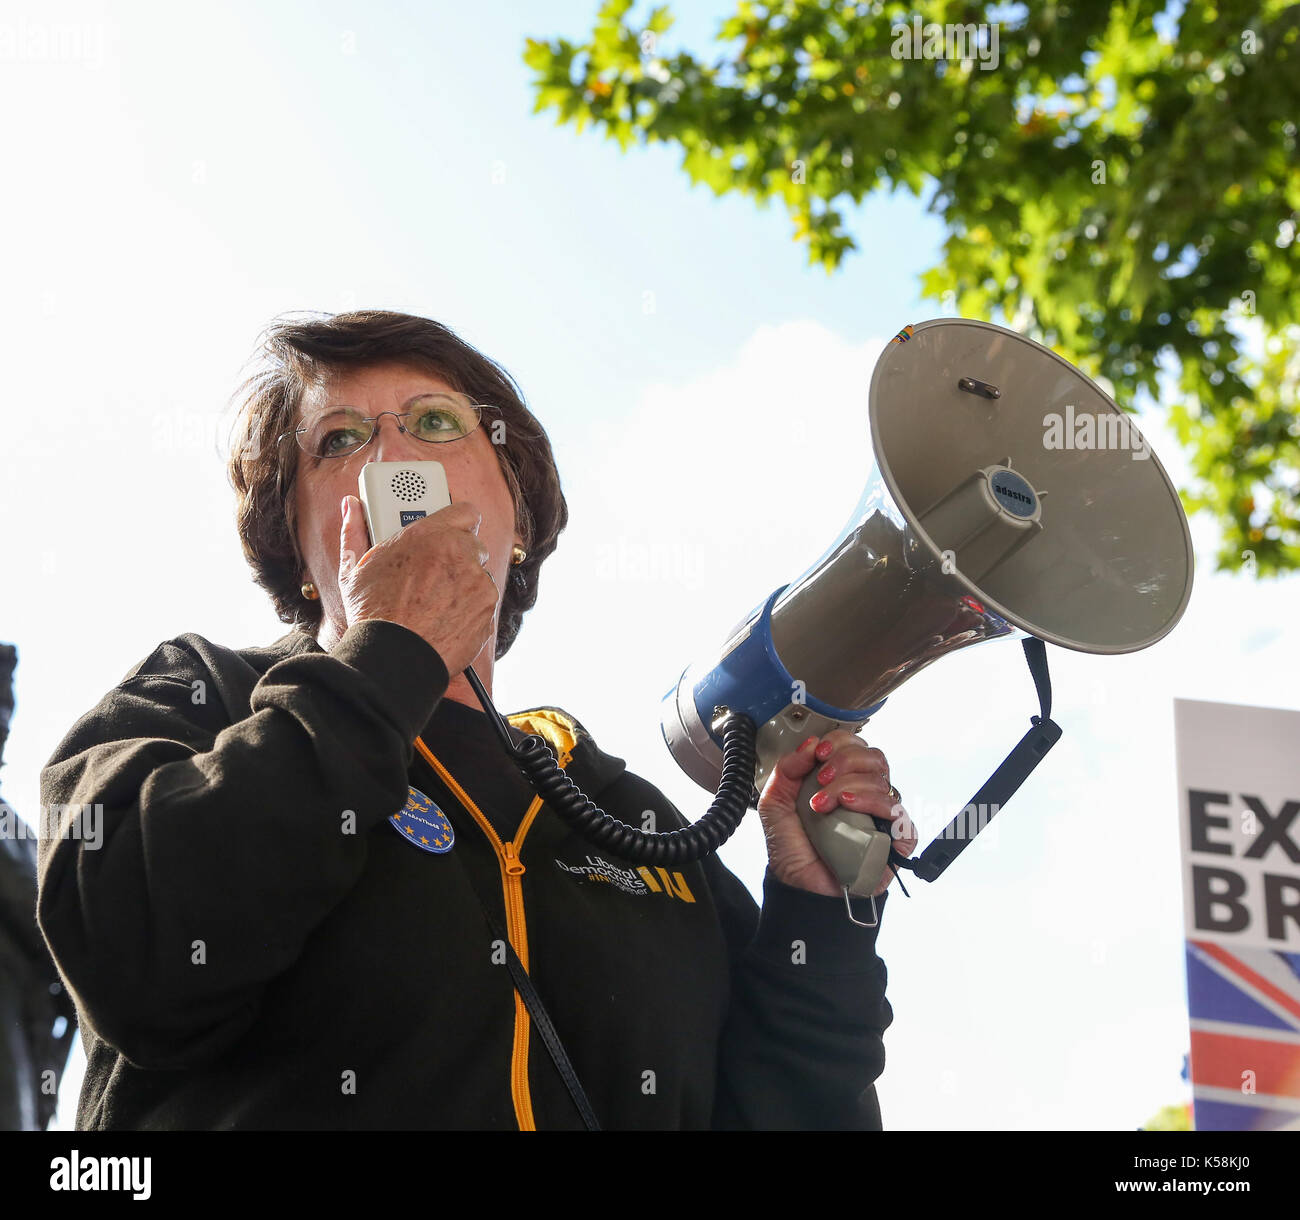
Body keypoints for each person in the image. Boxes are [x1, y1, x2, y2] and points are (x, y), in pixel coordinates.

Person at [37, 310, 915, 1130]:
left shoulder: (630, 819)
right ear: (298, 552)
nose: (390, 457)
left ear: (520, 521)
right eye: (338, 440)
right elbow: (132, 954)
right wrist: (386, 660)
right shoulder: (198, 696)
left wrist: (817, 919)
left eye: (436, 424)